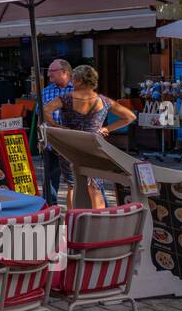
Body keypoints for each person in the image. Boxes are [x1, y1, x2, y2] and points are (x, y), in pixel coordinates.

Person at [42, 64, 136, 209]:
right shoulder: (103, 101)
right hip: (93, 146)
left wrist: (58, 127)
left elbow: (45, 110)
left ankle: (73, 222)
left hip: (71, 147)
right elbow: (129, 116)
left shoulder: (66, 98)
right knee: (95, 186)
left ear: (79, 81)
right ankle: (102, 223)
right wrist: (106, 128)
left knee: (72, 186)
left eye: (73, 78)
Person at [39, 59, 74, 206]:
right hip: (50, 140)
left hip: (71, 141)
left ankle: (75, 210)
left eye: (52, 71)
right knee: (50, 176)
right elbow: (40, 116)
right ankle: (50, 208)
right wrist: (39, 139)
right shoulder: (46, 91)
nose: (48, 74)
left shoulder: (78, 91)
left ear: (64, 72)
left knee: (73, 180)